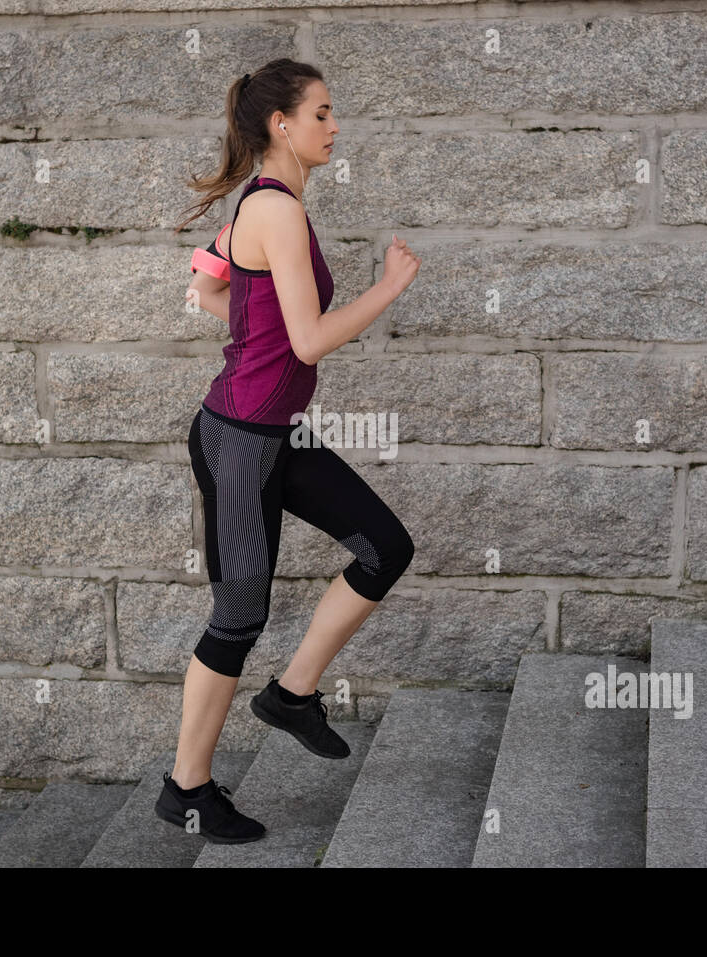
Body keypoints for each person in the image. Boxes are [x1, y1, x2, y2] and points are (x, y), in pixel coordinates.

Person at [157, 59, 421, 844]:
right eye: (323, 113)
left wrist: (242, 313)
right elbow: (308, 340)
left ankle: (294, 693)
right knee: (239, 614)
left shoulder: (273, 208)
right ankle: (188, 790)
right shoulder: (274, 210)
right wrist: (388, 288)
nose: (334, 126)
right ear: (282, 123)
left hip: (268, 435)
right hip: (240, 440)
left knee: (386, 547)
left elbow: (205, 282)